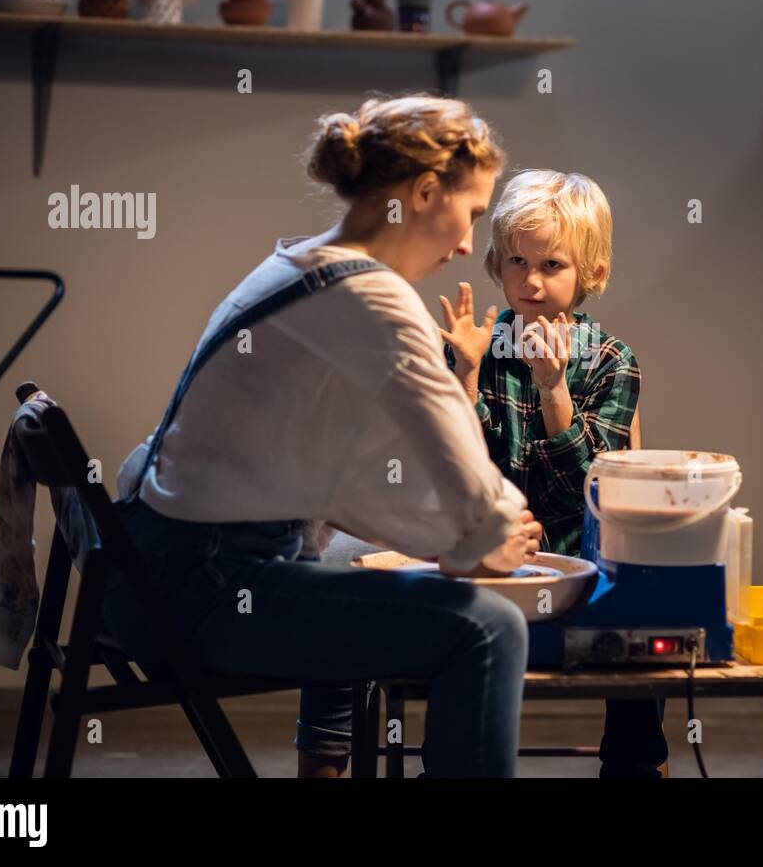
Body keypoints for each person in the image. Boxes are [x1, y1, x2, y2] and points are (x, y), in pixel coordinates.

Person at [102, 94, 542, 778]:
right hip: (199, 589)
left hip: (145, 568)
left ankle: (325, 768)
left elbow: (360, 473)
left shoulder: (302, 262)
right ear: (426, 192)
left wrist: (463, 535)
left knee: (365, 558)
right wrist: (489, 534)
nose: (465, 247)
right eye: (473, 217)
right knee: (490, 627)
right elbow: (476, 499)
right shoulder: (373, 295)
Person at [439, 169, 668, 778]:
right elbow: (457, 470)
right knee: (439, 626)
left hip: (583, 564)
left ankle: (635, 765)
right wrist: (463, 376)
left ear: (591, 274)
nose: (531, 281)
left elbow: (590, 487)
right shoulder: (478, 348)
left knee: (640, 617)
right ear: (495, 263)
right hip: (490, 564)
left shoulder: (613, 360)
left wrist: (552, 386)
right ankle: (450, 765)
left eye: (553, 265)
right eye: (517, 260)